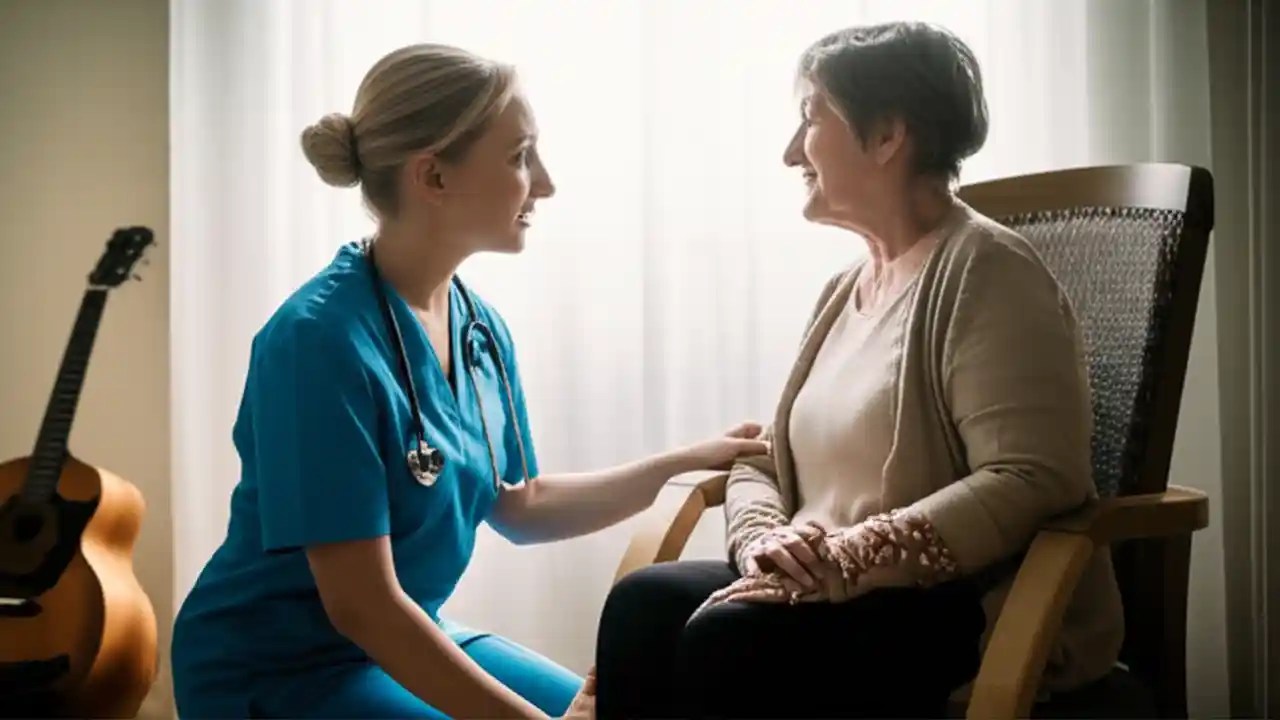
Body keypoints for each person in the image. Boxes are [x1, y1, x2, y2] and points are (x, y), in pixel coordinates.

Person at [169, 43, 769, 720]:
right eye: (519, 155)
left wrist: (681, 463)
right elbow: (362, 606)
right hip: (277, 667)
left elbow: (520, 503)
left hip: (400, 633)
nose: (543, 182)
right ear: (433, 176)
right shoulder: (316, 343)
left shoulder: (476, 326)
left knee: (623, 706)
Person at [593, 21, 1125, 719]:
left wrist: (851, 559)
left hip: (949, 605)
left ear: (886, 136)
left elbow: (1034, 476)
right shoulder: (847, 289)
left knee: (731, 642)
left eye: (810, 118)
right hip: (828, 587)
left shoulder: (990, 273)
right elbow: (764, 461)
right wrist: (766, 545)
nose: (791, 152)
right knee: (643, 604)